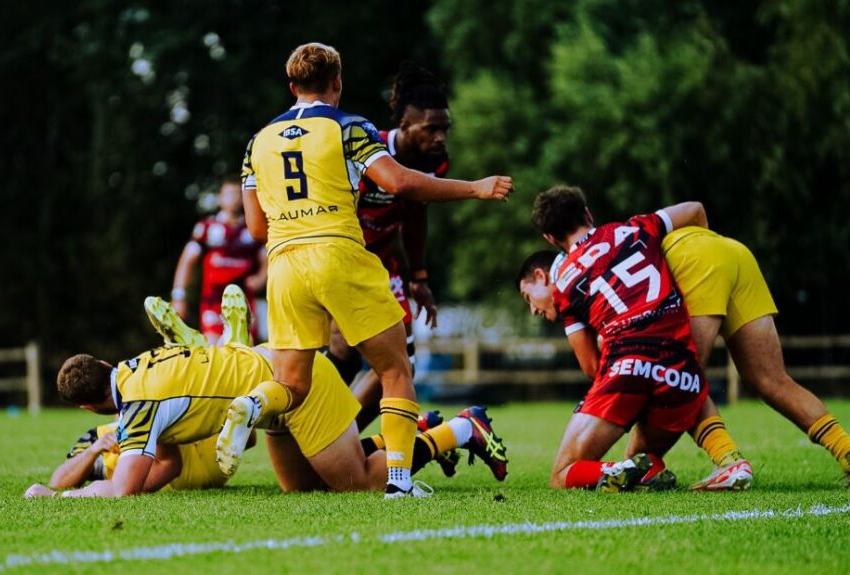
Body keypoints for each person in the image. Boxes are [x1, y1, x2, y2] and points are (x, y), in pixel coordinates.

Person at [217, 42, 512, 498]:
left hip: (285, 265)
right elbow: (400, 183)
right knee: (396, 369)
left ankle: (253, 404)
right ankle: (398, 482)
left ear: (291, 85)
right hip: (339, 254)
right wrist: (475, 187)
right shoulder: (349, 128)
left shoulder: (258, 141)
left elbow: (257, 226)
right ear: (337, 82)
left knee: (292, 383)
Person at [52, 342, 506, 498]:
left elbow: (124, 488)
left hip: (293, 384)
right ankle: (410, 430)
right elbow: (166, 463)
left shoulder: (136, 404)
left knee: (359, 483)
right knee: (303, 487)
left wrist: (58, 499)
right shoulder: (135, 367)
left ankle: (464, 428)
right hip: (273, 388)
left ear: (89, 408)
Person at [517, 186, 709, 491]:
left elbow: (592, 367)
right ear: (587, 213)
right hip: (682, 374)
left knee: (563, 474)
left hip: (628, 369)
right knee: (639, 461)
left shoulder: (564, 281)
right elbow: (695, 208)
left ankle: (626, 466)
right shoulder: (636, 227)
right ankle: (715, 457)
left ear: (550, 239)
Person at [660, 226, 850, 487]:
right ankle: (846, 448)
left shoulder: (596, 261)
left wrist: (632, 457)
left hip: (693, 258)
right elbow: (697, 210)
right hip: (734, 251)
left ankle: (727, 459)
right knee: (773, 379)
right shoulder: (632, 231)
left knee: (679, 376)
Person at [326, 62, 450, 432]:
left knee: (400, 367)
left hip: (384, 267)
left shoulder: (435, 163)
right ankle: (318, 434)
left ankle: (342, 437)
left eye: (445, 128)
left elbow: (414, 216)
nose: (441, 137)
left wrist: (420, 276)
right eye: (432, 129)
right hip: (341, 261)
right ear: (405, 127)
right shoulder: (370, 150)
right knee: (343, 353)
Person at [23, 422, 237, 498]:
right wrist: (94, 449)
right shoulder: (102, 436)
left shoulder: (150, 415)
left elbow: (171, 464)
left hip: (209, 461)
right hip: (208, 469)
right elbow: (59, 479)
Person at [170, 176, 266, 343]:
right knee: (213, 348)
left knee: (245, 349)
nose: (234, 198)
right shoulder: (207, 228)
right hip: (213, 300)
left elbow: (268, 257)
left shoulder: (252, 228)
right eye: (229, 194)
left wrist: (261, 278)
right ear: (220, 198)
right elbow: (187, 260)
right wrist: (179, 295)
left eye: (238, 193)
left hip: (245, 301)